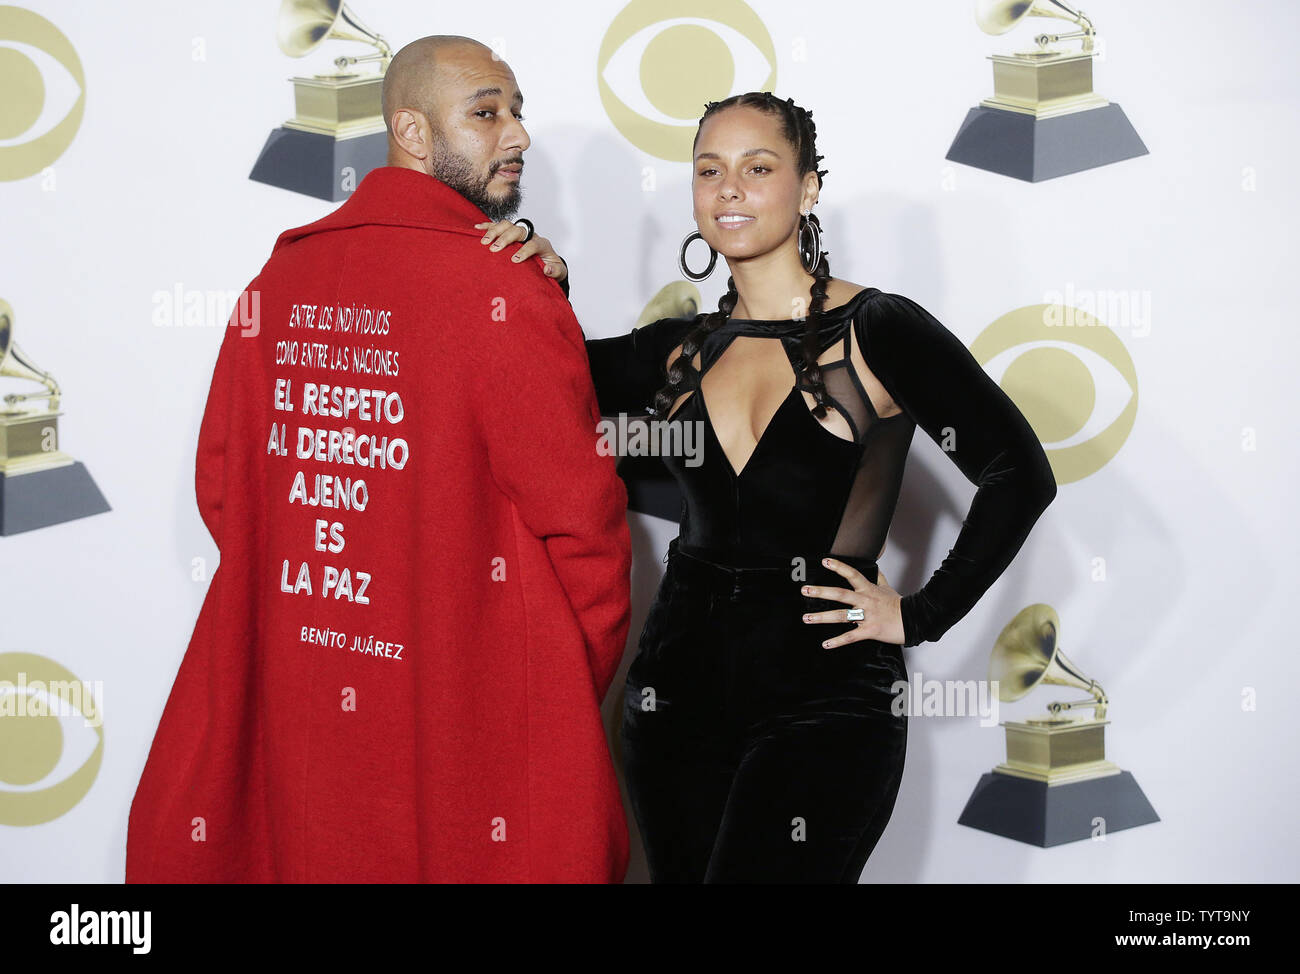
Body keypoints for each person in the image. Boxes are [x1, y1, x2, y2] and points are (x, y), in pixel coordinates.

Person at [476, 91, 1057, 882]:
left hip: (826, 694)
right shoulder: (677, 350)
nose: (730, 190)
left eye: (758, 168)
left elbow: (1018, 473)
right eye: (709, 170)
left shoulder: (880, 329)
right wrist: (544, 276)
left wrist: (920, 614)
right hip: (675, 689)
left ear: (809, 187)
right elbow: (533, 380)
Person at [125, 36, 632, 883]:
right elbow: (586, 534)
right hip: (466, 726)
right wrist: (533, 685)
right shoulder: (501, 292)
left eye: (517, 111)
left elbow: (225, 491)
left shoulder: (278, 282)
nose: (518, 137)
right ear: (411, 130)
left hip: (305, 697)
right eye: (485, 113)